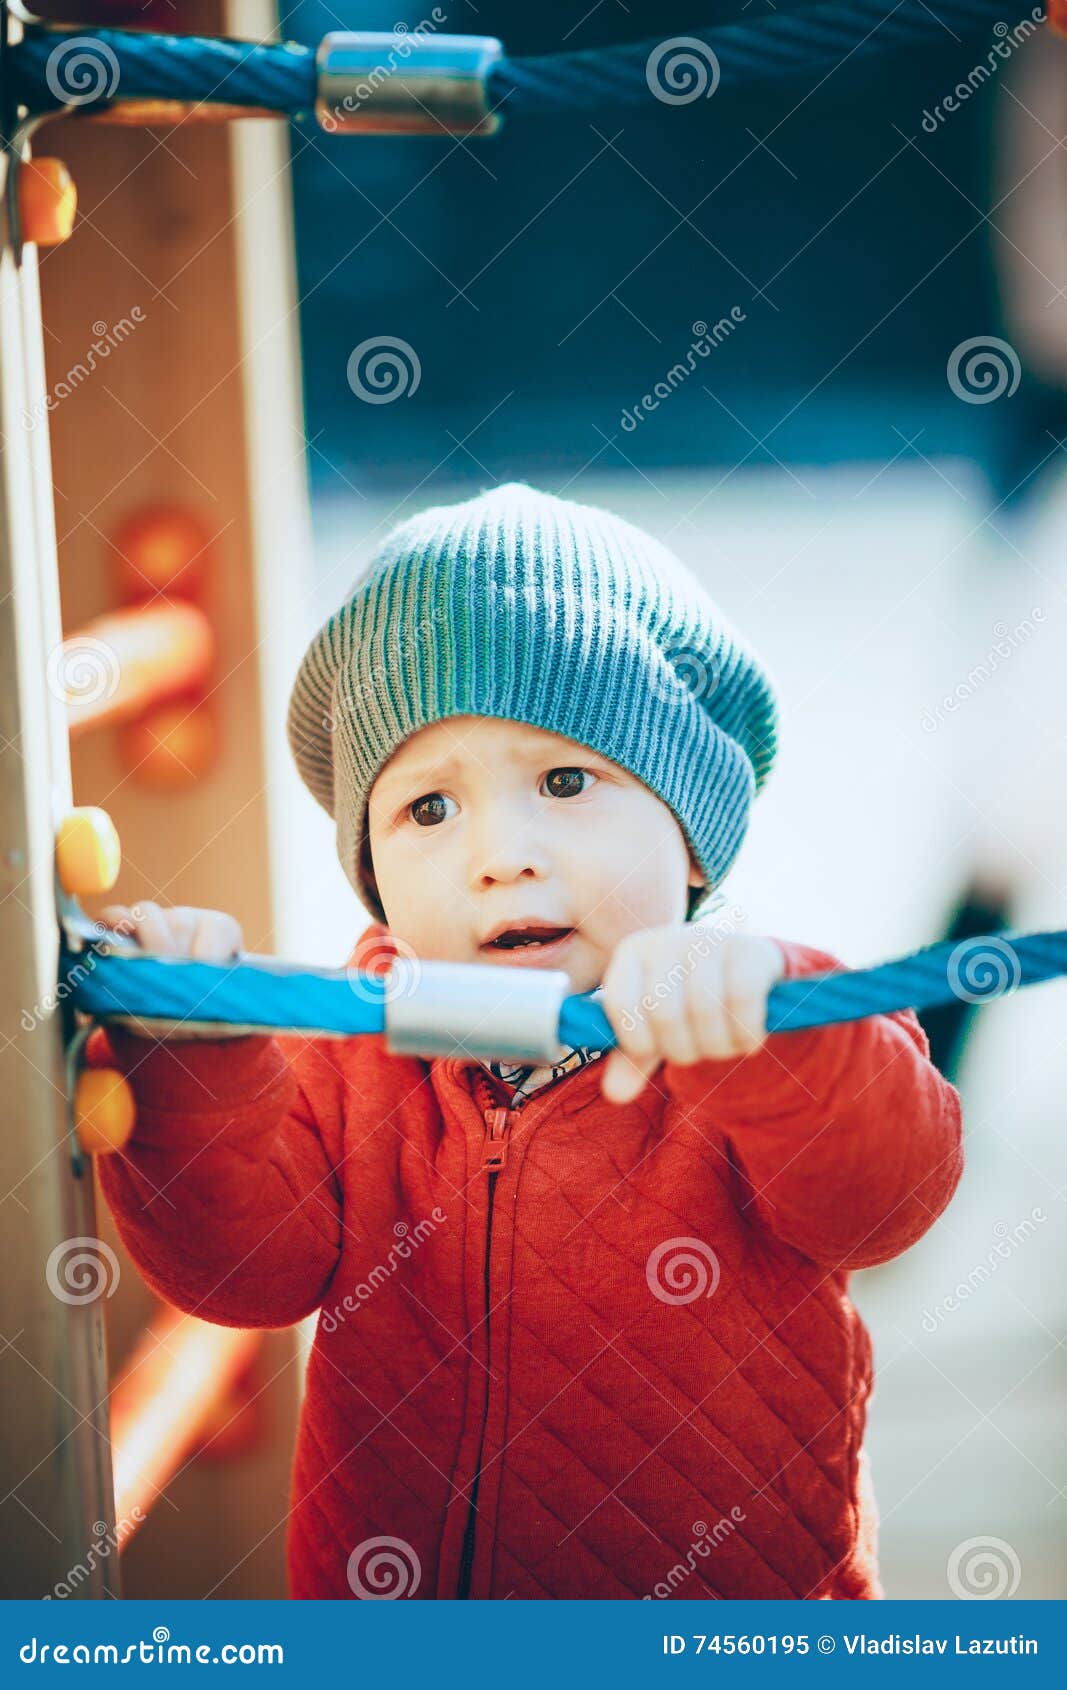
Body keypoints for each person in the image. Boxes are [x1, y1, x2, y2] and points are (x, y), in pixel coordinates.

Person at [90, 482, 963, 1600]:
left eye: (564, 780)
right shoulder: (356, 1048)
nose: (499, 853)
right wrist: (193, 1058)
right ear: (372, 871)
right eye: (428, 809)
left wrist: (770, 1039)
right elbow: (245, 1273)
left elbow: (887, 1198)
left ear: (691, 843)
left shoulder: (763, 1010)